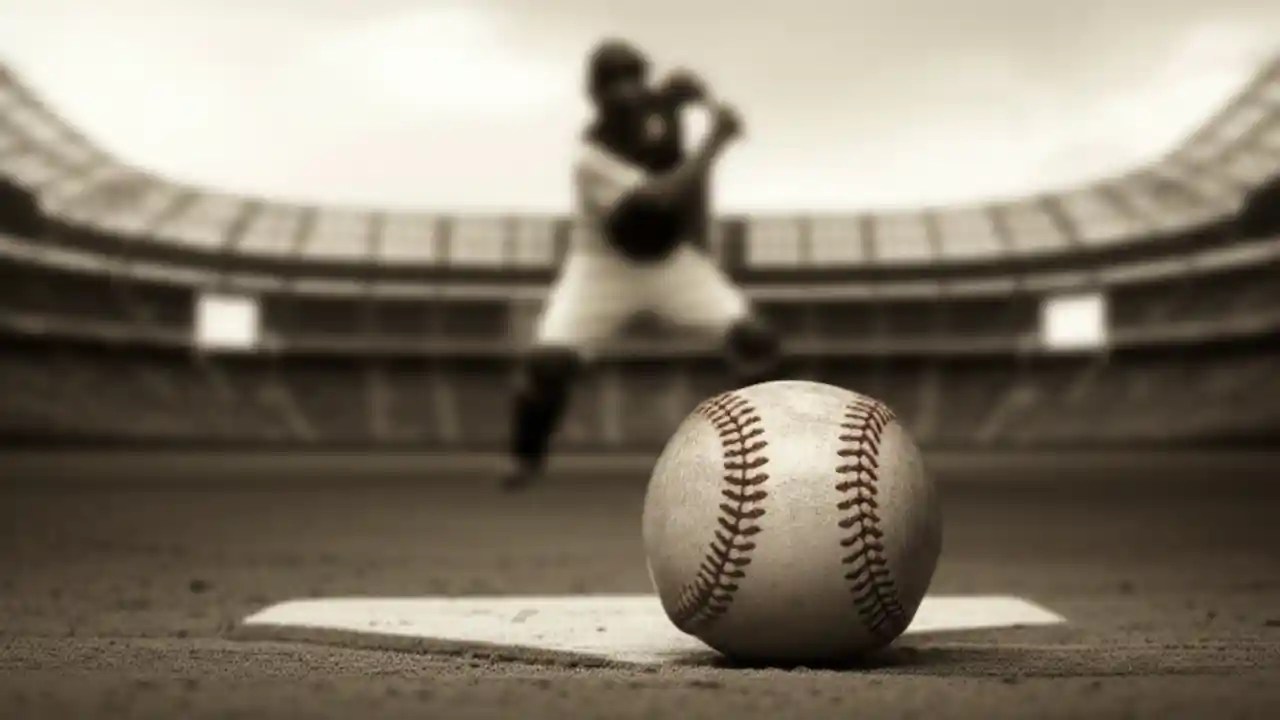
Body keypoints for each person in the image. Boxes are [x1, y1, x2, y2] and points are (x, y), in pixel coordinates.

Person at [502, 39, 784, 491]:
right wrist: (715, 139)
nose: (627, 91)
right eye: (615, 82)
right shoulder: (591, 154)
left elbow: (684, 181)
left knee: (757, 340)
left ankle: (772, 453)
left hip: (671, 262)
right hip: (602, 265)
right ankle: (525, 459)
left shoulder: (657, 119)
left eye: (635, 78)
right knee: (549, 364)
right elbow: (659, 197)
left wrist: (680, 101)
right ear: (595, 94)